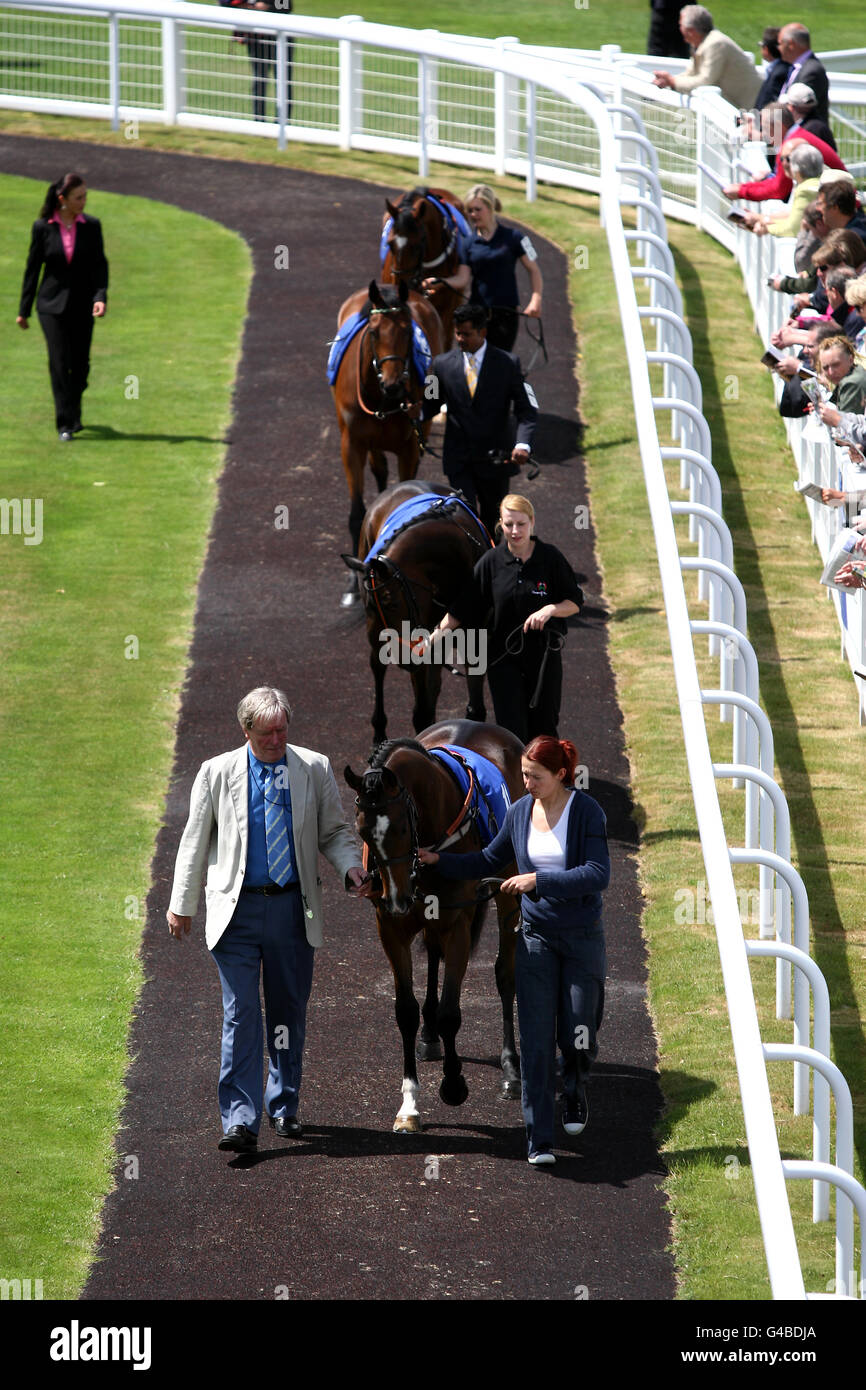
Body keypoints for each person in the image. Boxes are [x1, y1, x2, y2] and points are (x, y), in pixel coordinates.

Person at [166, 686, 367, 1154]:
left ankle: (284, 1104)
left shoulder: (312, 767)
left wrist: (348, 865)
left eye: (282, 730)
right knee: (241, 1014)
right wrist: (181, 904)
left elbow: (334, 831)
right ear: (246, 730)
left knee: (287, 1010)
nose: (277, 739)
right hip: (234, 913)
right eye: (267, 732)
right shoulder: (215, 772)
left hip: (292, 910)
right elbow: (194, 841)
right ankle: (239, 1119)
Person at [418, 736, 610, 1165]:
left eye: (534, 776)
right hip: (535, 939)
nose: (526, 784)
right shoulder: (520, 812)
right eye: (523, 774)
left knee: (579, 1030)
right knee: (536, 1040)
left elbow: (598, 874)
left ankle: (576, 1089)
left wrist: (537, 881)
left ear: (562, 775)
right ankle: (538, 1139)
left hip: (581, 938)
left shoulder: (586, 813)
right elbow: (488, 859)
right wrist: (439, 861)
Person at [429, 494, 583, 743]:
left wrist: (550, 609)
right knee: (511, 733)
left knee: (544, 728)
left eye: (521, 524)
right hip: (503, 660)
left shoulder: (550, 558)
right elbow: (464, 605)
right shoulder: (491, 562)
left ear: (532, 522)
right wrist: (436, 635)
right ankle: (516, 781)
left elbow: (575, 602)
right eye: (509, 524)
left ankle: (549, 779)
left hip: (544, 658)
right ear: (500, 524)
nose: (515, 531)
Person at [418, 303, 538, 535]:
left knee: (494, 520)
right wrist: (416, 413)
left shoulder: (509, 364)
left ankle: (492, 566)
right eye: (457, 333)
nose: (460, 339)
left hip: (496, 461)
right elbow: (429, 401)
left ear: (482, 332)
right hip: (459, 459)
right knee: (464, 517)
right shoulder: (441, 364)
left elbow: (527, 409)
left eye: (466, 334)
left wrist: (523, 444)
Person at [17, 172, 108, 441]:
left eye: (85, 196)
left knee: (80, 366)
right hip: (50, 306)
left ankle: (74, 409)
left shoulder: (92, 226)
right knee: (59, 362)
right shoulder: (42, 227)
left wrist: (100, 296)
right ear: (62, 199)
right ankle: (64, 424)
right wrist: (24, 309)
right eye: (78, 197)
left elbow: (99, 265)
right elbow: (32, 270)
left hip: (82, 304)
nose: (84, 201)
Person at [461, 184, 542, 353]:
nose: (473, 215)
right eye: (470, 210)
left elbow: (534, 269)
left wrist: (536, 299)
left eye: (477, 209)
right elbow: (462, 278)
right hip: (476, 315)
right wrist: (439, 282)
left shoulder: (515, 237)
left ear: (490, 208)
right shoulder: (467, 243)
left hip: (506, 315)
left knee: (501, 362)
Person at [652, 6, 760, 111]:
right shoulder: (702, 43)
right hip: (741, 109)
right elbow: (690, 74)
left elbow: (706, 80)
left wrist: (672, 81)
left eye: (680, 25)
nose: (679, 28)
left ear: (691, 30)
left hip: (755, 109)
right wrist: (669, 81)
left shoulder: (715, 43)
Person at [222, 0, 293, 124]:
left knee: (283, 80)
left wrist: (267, 6)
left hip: (280, 36)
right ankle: (258, 121)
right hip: (256, 38)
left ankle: (282, 122)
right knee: (259, 80)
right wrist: (243, 5)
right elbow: (224, 3)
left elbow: (286, 6)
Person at [740, 143, 823, 238]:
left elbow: (793, 228)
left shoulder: (805, 190)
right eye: (781, 158)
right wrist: (762, 219)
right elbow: (792, 216)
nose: (784, 163)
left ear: (797, 168)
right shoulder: (813, 183)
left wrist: (767, 228)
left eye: (788, 159)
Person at [777, 23, 829, 125]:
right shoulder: (796, 67)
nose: (778, 48)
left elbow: (799, 109)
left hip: (804, 136)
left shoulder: (812, 71)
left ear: (791, 44)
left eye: (780, 43)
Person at [754, 28, 790, 110]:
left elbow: (772, 103)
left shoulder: (779, 72)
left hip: (767, 119)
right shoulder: (779, 68)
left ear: (766, 49)